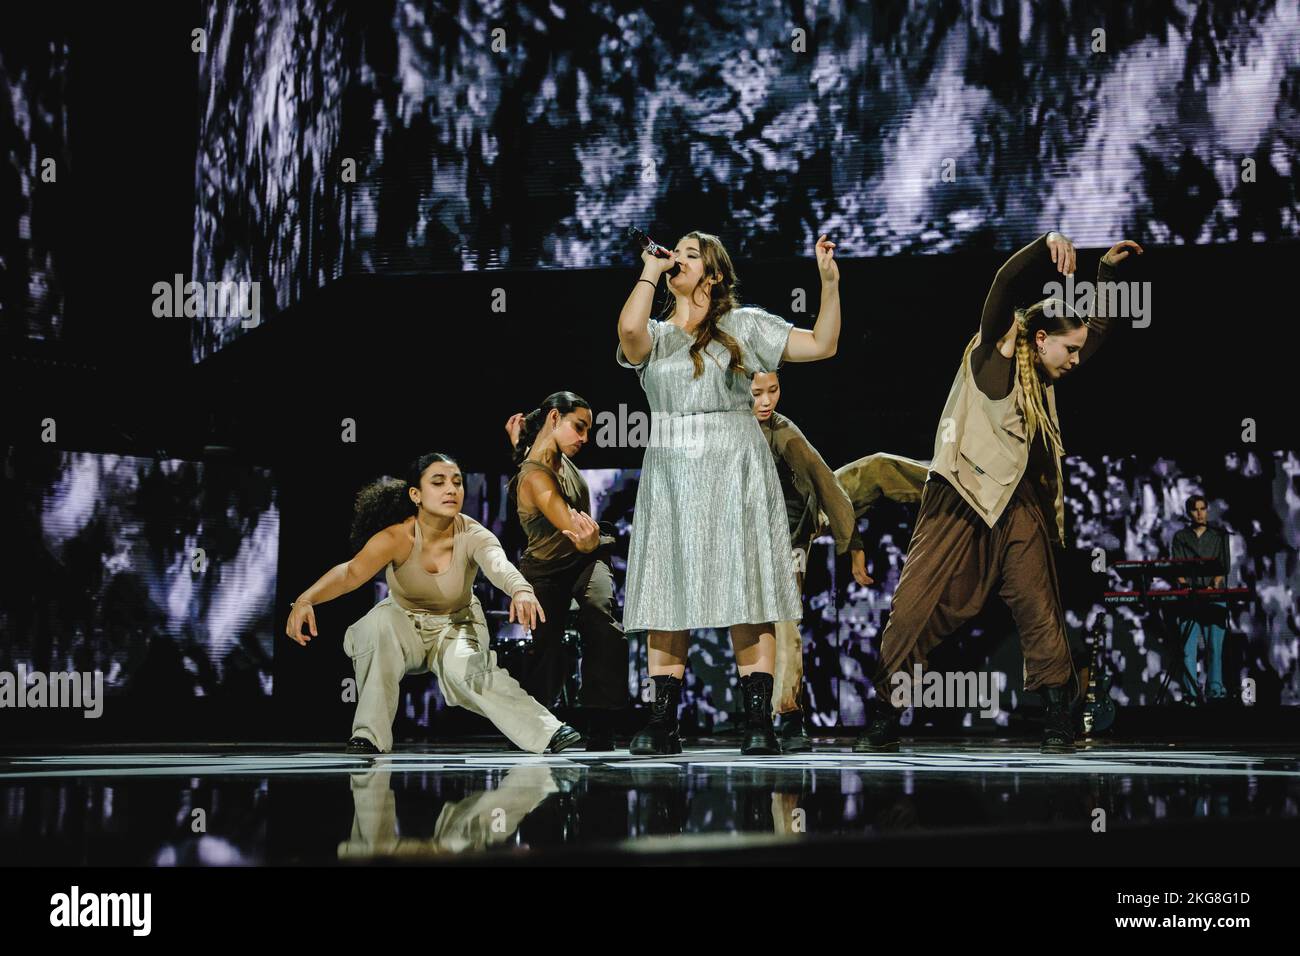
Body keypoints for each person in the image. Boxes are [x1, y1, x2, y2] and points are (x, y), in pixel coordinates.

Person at [856, 233, 1142, 754]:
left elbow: (1093, 331)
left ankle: (1058, 714)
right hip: (958, 496)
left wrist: (1103, 274)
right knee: (916, 609)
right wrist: (1044, 244)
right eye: (1069, 349)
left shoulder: (1046, 374)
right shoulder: (995, 355)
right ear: (1039, 339)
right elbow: (1004, 283)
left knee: (1040, 606)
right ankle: (885, 714)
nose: (1078, 359)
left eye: (1078, 350)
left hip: (1017, 502)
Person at [616, 229, 842, 755]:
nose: (678, 259)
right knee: (668, 593)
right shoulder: (655, 333)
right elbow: (628, 331)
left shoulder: (743, 325)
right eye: (675, 252)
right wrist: (651, 269)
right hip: (671, 470)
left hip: (733, 465)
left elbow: (823, 344)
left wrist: (828, 283)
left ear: (713, 274)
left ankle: (757, 718)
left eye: (689, 255)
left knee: (747, 588)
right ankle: (663, 719)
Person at [285, 452, 581, 755]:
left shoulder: (473, 534)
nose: (451, 490)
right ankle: (369, 736)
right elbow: (350, 573)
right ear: (416, 494)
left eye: (457, 482)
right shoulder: (397, 537)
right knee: (376, 627)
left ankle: (548, 731)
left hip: (457, 625)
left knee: (469, 672)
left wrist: (521, 590)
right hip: (403, 622)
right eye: (438, 482)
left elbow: (498, 564)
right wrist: (306, 599)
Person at [749, 369, 872, 752]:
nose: (766, 401)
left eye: (773, 391)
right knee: (757, 623)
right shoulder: (730, 428)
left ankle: (788, 715)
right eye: (757, 393)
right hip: (751, 538)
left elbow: (825, 482)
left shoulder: (784, 431)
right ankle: (761, 714)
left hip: (794, 532)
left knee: (785, 622)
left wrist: (853, 545)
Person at [502, 391, 629, 750]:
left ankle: (601, 722)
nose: (585, 438)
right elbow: (576, 533)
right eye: (580, 427)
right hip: (545, 569)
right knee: (545, 645)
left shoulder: (546, 453)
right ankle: (533, 723)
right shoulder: (536, 476)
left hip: (586, 562)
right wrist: (590, 542)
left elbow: (587, 546)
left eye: (588, 429)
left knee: (600, 617)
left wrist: (591, 546)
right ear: (555, 418)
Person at [1172, 493, 1231, 703]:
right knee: (1188, 650)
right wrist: (1187, 586)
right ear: (1189, 512)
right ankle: (1191, 694)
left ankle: (1215, 692)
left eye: (1203, 508)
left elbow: (1224, 568)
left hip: (1213, 597)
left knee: (1215, 648)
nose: (1200, 513)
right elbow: (1177, 569)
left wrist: (1213, 585)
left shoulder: (1220, 535)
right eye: (1195, 509)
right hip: (1189, 599)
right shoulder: (1180, 537)